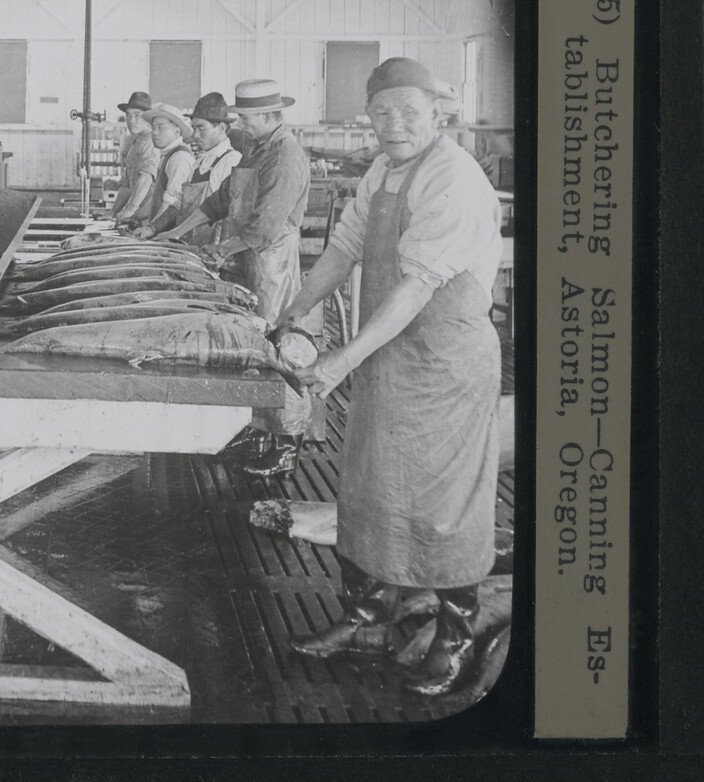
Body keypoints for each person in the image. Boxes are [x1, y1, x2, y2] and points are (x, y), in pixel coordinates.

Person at [275, 58, 503, 697]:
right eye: (381, 112)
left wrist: (337, 364)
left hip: (444, 365)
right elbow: (342, 252)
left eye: (408, 110)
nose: (393, 123)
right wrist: (289, 313)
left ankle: (456, 637)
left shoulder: (453, 178)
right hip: (388, 359)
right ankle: (366, 622)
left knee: (443, 505)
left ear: (439, 113)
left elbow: (415, 288)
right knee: (370, 490)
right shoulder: (381, 169)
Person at [151, 79, 313, 476]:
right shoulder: (256, 150)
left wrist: (221, 250)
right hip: (247, 259)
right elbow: (221, 200)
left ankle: (287, 443)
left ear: (273, 116)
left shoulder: (286, 157)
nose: (242, 123)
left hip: (272, 263)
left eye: (248, 117)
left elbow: (265, 228)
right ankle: (260, 430)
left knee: (278, 349)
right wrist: (174, 233)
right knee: (249, 346)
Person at [131, 92, 239, 243]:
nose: (195, 135)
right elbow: (179, 203)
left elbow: (223, 214)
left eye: (201, 128)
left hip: (213, 251)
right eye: (194, 128)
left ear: (221, 128)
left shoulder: (231, 162)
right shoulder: (199, 162)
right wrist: (153, 228)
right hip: (191, 245)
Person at [120, 103, 196, 229]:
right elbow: (157, 202)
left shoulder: (179, 158)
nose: (154, 133)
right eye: (153, 127)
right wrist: (134, 217)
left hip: (172, 235)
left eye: (161, 128)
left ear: (177, 131)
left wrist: (151, 229)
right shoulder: (166, 156)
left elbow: (171, 204)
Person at [110, 91, 159, 224]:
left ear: (148, 118)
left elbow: (145, 178)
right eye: (128, 116)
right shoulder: (134, 143)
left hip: (149, 218)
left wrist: (130, 209)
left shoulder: (150, 142)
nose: (131, 120)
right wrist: (112, 212)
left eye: (137, 116)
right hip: (137, 217)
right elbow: (126, 186)